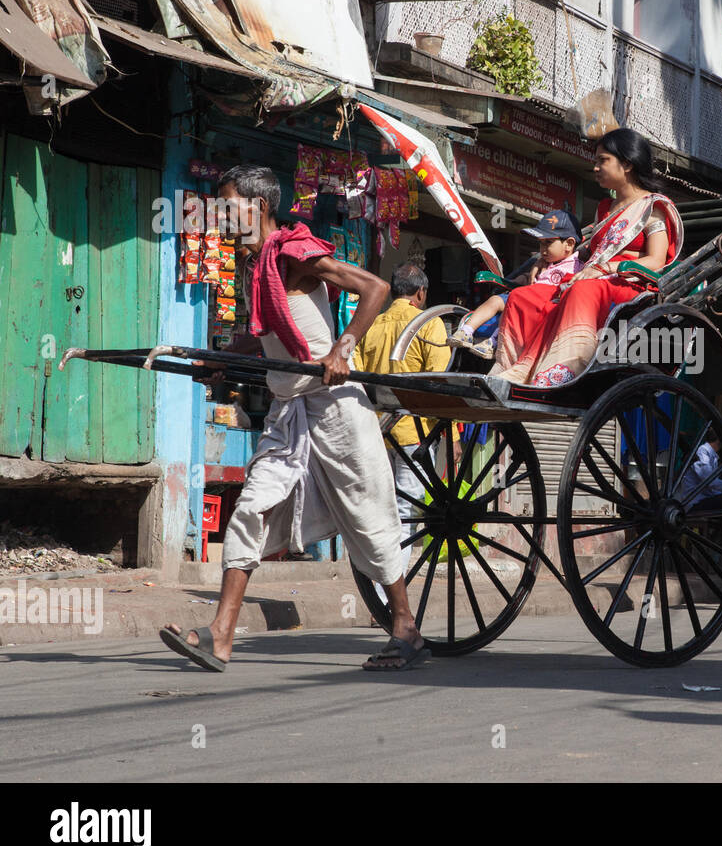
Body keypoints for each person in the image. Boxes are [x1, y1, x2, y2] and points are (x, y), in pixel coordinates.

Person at [159, 165, 426, 672]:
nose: (220, 216)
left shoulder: (292, 252)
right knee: (250, 510)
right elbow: (267, 337)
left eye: (228, 205)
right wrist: (222, 358)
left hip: (338, 410)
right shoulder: (254, 264)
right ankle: (220, 635)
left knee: (368, 519)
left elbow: (373, 286)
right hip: (289, 414)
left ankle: (406, 629)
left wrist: (343, 347)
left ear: (258, 208)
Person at [491, 128, 683, 387]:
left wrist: (605, 268)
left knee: (580, 289)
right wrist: (543, 261)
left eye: (602, 160)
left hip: (629, 284)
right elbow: (588, 249)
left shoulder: (654, 207)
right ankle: (516, 367)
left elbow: (656, 261)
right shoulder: (606, 207)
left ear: (626, 163)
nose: (595, 168)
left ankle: (564, 369)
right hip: (593, 279)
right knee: (522, 296)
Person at [352, 263, 451, 551]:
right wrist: (452, 436)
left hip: (376, 432)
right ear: (420, 293)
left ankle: (382, 581)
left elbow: (357, 378)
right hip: (414, 435)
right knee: (405, 513)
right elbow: (441, 385)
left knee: (381, 509)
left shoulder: (370, 324)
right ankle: (390, 590)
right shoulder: (428, 323)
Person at [448, 210, 583, 360]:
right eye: (540, 243)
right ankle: (466, 332)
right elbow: (532, 281)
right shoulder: (544, 264)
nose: (542, 249)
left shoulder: (576, 268)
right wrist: (523, 278)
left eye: (548, 243)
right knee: (496, 300)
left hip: (541, 310)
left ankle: (493, 342)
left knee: (514, 304)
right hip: (523, 299)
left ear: (569, 244)